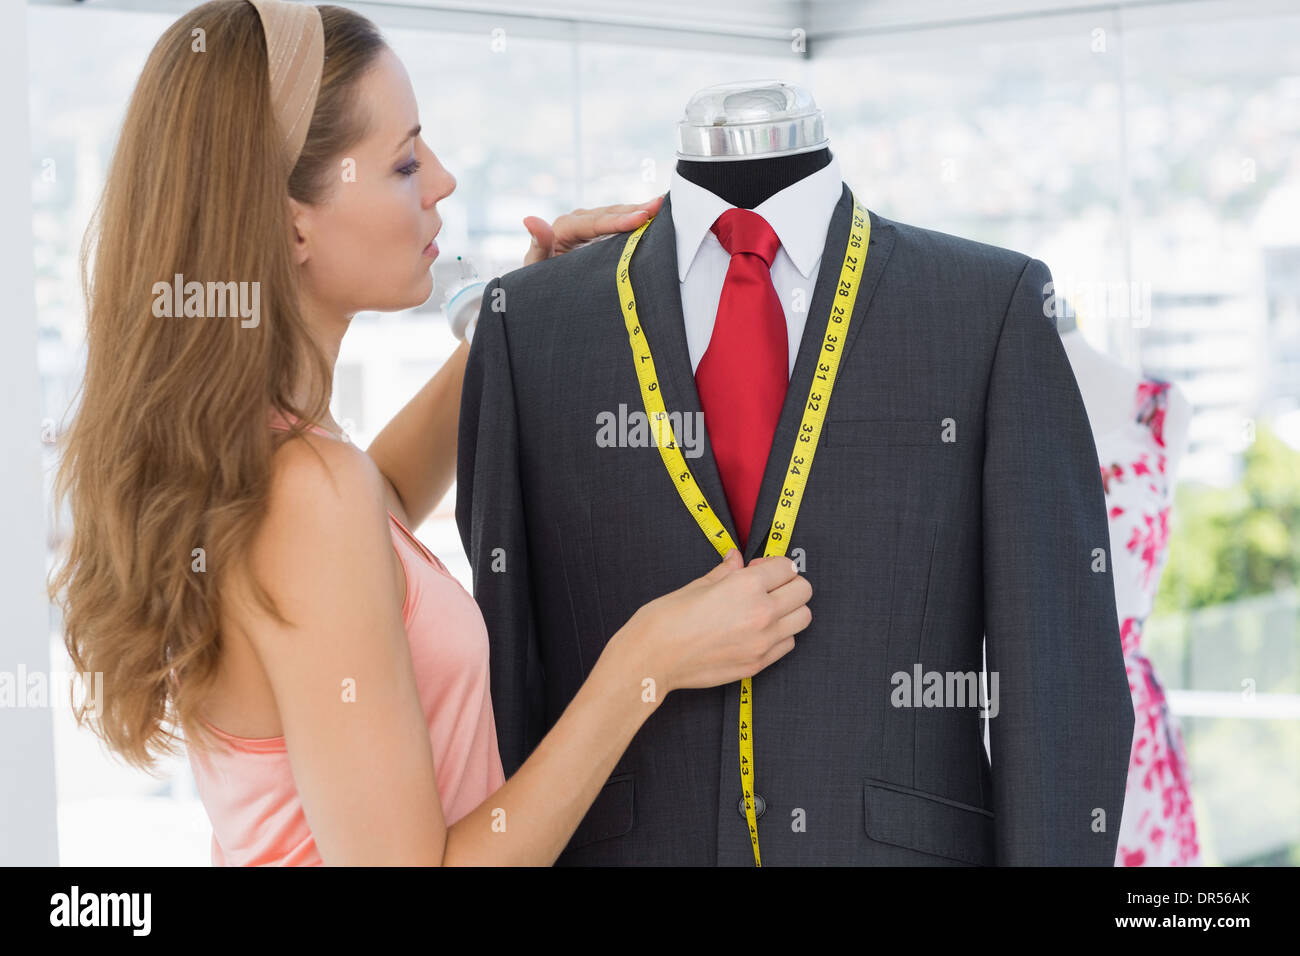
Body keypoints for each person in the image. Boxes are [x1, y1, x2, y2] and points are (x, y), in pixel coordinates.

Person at [47, 0, 812, 866]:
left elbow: (380, 518)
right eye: (404, 163)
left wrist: (515, 318)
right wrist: (645, 662)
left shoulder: (278, 461)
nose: (443, 180)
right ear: (291, 217)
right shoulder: (306, 492)